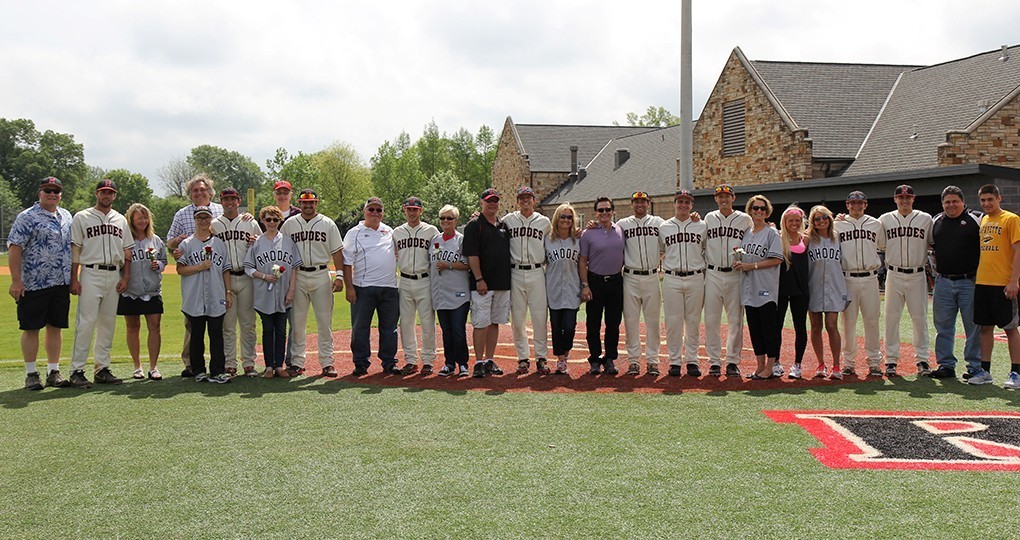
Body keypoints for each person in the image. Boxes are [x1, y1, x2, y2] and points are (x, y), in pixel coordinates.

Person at [8, 177, 74, 390]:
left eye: (56, 191)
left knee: (55, 328)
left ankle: (53, 371)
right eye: (48, 190)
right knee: (31, 328)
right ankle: (31, 373)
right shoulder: (27, 217)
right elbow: (15, 247)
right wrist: (16, 281)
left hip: (60, 282)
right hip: (34, 282)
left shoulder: (66, 215)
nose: (52, 194)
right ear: (40, 192)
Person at [69, 179, 134, 386]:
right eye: (103, 192)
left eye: (110, 193)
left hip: (114, 275)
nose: (107, 196)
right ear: (97, 194)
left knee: (108, 323)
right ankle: (77, 370)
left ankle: (102, 368)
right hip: (91, 272)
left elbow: (127, 252)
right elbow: (75, 250)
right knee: (86, 323)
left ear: (115, 196)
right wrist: (74, 278)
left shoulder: (120, 219)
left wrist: (126, 277)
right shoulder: (82, 217)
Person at [281, 189, 345, 376]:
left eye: (312, 202)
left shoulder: (327, 223)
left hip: (321, 274)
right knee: (298, 322)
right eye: (304, 203)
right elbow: (281, 248)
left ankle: (327, 362)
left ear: (316, 203)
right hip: (298, 276)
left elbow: (337, 251)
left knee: (324, 322)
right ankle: (297, 362)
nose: (308, 206)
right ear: (299, 204)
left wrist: (339, 275)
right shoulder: (290, 224)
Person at [166, 174, 224, 376]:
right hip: (193, 274)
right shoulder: (182, 214)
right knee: (194, 327)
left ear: (210, 192)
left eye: (202, 189)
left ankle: (221, 367)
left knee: (217, 328)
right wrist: (179, 244)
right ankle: (192, 365)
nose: (199, 193)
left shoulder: (220, 209)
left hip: (216, 272)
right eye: (195, 190)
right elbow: (170, 242)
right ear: (190, 194)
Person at [879, 184, 934, 377]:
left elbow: (933, 243)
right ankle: (891, 360)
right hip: (893, 273)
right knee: (891, 319)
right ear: (895, 199)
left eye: (908, 197)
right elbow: (877, 242)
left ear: (913, 198)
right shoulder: (884, 219)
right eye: (901, 198)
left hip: (917, 273)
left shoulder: (926, 219)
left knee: (920, 319)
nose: (904, 200)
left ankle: (922, 360)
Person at [969, 184, 1020, 388]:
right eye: (983, 200)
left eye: (990, 199)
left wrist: (1014, 280)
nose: (987, 203)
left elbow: (1018, 250)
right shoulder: (983, 221)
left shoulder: (1011, 219)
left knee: (1010, 329)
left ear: (999, 198)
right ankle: (985, 372)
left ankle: (1016, 372)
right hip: (983, 283)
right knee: (985, 329)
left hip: (1004, 284)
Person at [929, 185, 982, 379]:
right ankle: (946, 365)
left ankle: (975, 367)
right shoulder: (935, 221)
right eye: (947, 202)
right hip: (943, 282)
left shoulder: (977, 219)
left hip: (969, 281)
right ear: (942, 204)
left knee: (973, 327)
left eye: (954, 201)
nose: (951, 205)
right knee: (943, 327)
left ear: (963, 202)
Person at [343, 197, 400, 376]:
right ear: (364, 211)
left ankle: (389, 362)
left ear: (383, 213)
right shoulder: (354, 233)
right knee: (360, 327)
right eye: (371, 209)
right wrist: (349, 287)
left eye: (378, 210)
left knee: (390, 328)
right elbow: (346, 263)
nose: (375, 213)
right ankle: (361, 363)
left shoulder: (389, 231)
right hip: (363, 287)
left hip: (390, 287)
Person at [176, 206, 232, 384]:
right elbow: (180, 269)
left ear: (210, 220)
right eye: (200, 218)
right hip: (194, 296)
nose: (203, 221)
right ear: (195, 220)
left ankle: (217, 371)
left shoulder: (219, 243)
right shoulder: (186, 244)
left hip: (216, 295)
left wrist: (228, 292)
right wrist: (199, 267)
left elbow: (225, 270)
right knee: (197, 335)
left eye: (206, 218)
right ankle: (198, 370)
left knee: (216, 334)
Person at [244, 205, 301, 378]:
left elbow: (295, 268)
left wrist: (291, 290)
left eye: (275, 219)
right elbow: (248, 267)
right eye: (268, 219)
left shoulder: (288, 241)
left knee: (282, 330)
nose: (272, 222)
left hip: (284, 292)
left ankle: (279, 366)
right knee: (268, 329)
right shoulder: (257, 242)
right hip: (264, 293)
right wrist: (264, 276)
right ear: (262, 220)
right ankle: (269, 366)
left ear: (280, 221)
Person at [833, 191, 885, 377]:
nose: (856, 206)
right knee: (848, 322)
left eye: (860, 203)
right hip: (847, 277)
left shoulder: (876, 223)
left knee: (872, 320)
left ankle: (874, 362)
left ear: (866, 204)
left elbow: (884, 245)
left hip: (871, 277)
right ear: (847, 204)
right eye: (853, 203)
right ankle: (849, 362)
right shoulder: (837, 224)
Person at [212, 187, 261, 377]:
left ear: (239, 201)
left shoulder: (250, 222)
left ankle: (249, 363)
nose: (229, 202)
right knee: (228, 324)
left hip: (247, 276)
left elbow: (262, 245)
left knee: (248, 323)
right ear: (221, 202)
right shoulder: (215, 225)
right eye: (226, 199)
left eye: (233, 199)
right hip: (225, 279)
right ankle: (230, 363)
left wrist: (256, 241)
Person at [703, 184, 752, 378]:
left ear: (734, 197)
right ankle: (714, 361)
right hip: (713, 273)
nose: (723, 199)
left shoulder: (744, 219)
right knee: (711, 320)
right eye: (720, 196)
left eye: (727, 196)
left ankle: (732, 361)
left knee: (735, 321)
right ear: (715, 199)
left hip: (735, 274)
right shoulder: (708, 218)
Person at [463, 188, 511, 378]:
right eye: (489, 201)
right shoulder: (474, 225)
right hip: (482, 284)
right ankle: (478, 362)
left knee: (494, 323)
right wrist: (479, 279)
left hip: (502, 283)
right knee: (480, 324)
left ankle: (489, 360)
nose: (492, 204)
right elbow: (472, 255)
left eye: (495, 201)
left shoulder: (503, 225)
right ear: (482, 202)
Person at [734, 195, 783, 379]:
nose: (759, 211)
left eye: (762, 208)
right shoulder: (748, 232)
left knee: (768, 329)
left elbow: (777, 258)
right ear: (750, 210)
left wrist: (752, 266)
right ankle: (760, 365)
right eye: (755, 208)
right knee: (754, 329)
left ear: (767, 211)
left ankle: (770, 366)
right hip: (749, 287)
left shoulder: (771, 233)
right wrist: (740, 262)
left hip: (766, 287)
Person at [658, 189, 706, 377]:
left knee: (693, 321)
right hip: (672, 277)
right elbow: (660, 251)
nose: (683, 205)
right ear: (675, 203)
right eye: (680, 201)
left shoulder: (701, 226)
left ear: (692, 205)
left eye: (687, 202)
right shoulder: (664, 227)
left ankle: (692, 360)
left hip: (695, 277)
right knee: (673, 321)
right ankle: (675, 361)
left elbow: (706, 248)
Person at [504, 186, 552, 375]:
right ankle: (523, 358)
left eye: (528, 197)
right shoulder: (508, 220)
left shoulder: (544, 222)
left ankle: (541, 357)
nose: (525, 201)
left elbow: (557, 238)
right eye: (522, 198)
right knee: (518, 319)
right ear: (518, 201)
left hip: (537, 271)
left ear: (534, 200)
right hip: (515, 272)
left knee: (540, 317)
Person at [618, 191, 665, 376]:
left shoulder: (658, 222)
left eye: (643, 201)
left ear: (648, 203)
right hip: (630, 276)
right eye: (636, 202)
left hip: (652, 276)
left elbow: (667, 243)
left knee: (653, 321)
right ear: (631, 204)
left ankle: (653, 360)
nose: (640, 205)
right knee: (631, 321)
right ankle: (633, 360)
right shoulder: (622, 224)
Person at [118, 203, 166, 380]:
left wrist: (158, 265)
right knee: (132, 327)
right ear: (131, 220)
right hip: (130, 291)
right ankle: (137, 366)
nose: (143, 221)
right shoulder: (124, 240)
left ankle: (153, 367)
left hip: (152, 290)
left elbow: (163, 261)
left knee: (154, 327)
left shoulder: (155, 240)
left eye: (146, 218)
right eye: (139, 218)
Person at [393, 196, 440, 375]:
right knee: (406, 322)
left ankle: (428, 360)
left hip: (424, 279)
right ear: (404, 210)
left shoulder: (431, 231)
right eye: (409, 209)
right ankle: (411, 360)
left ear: (421, 211)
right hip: (404, 280)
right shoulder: (397, 232)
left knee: (428, 322)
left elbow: (436, 254)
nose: (412, 212)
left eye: (415, 209)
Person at [579, 196, 625, 375]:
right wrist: (585, 285)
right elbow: (582, 261)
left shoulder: (620, 230)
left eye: (607, 209)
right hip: (595, 281)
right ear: (596, 213)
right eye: (600, 210)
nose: (604, 213)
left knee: (613, 323)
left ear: (613, 211)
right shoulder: (588, 233)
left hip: (615, 281)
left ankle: (610, 359)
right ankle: (595, 359)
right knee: (593, 323)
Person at [806, 205, 848, 380]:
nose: (821, 221)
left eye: (824, 217)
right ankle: (821, 364)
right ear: (812, 222)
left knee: (831, 325)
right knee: (816, 326)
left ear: (829, 218)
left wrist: (843, 220)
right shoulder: (808, 239)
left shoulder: (838, 237)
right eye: (816, 219)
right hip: (813, 287)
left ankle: (837, 365)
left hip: (835, 287)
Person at [430, 205, 471, 377]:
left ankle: (462, 364)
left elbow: (468, 264)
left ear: (456, 221)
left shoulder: (461, 240)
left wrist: (448, 265)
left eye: (449, 218)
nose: (446, 221)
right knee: (446, 331)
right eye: (443, 218)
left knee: (457, 329)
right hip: (440, 292)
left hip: (459, 293)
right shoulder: (435, 240)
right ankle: (449, 364)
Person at [545, 203, 582, 375]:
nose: (566, 220)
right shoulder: (547, 239)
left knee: (569, 326)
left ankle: (565, 354)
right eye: (563, 216)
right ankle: (560, 359)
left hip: (572, 288)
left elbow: (583, 264)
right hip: (553, 289)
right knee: (556, 325)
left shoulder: (579, 239)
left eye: (569, 217)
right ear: (556, 219)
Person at [777, 205, 809, 380]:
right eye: (791, 221)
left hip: (801, 290)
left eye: (798, 220)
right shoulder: (777, 238)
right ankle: (776, 362)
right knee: (776, 327)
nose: (794, 223)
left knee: (800, 327)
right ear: (785, 221)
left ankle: (797, 365)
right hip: (781, 290)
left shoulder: (806, 239)